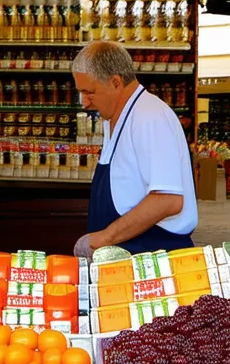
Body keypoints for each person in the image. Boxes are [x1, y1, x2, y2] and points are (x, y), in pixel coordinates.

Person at [71, 42, 197, 257]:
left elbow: (168, 199)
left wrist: (105, 237)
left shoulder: (149, 116)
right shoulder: (115, 119)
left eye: (89, 92)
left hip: (152, 258)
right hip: (125, 256)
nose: (85, 103)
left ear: (116, 82)